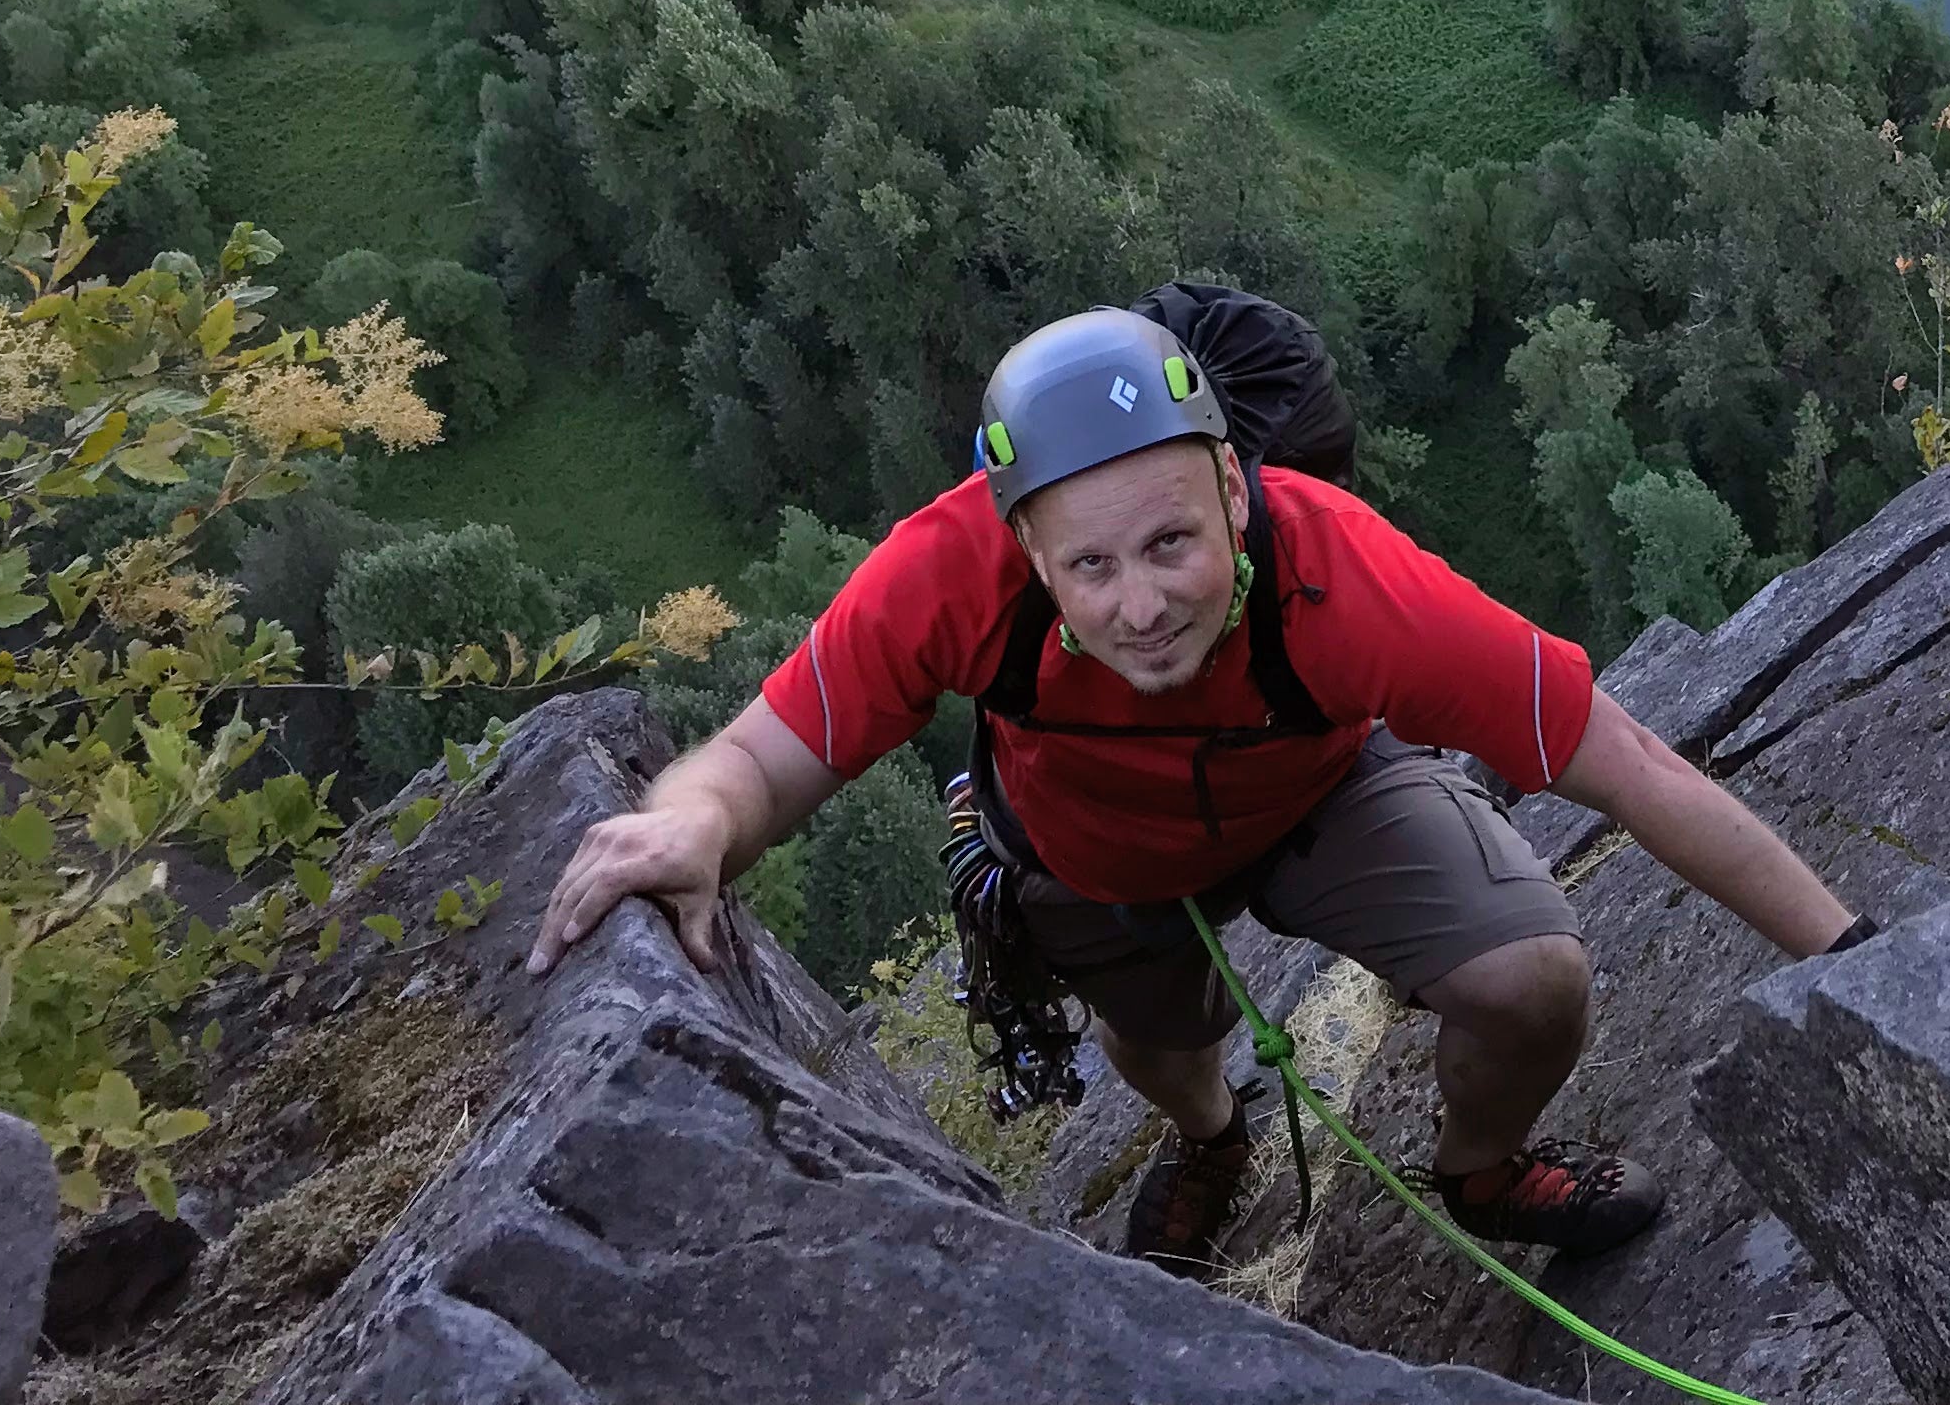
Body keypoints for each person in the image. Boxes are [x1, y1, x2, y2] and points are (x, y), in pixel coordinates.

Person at [525, 294, 1866, 1276]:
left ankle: (1480, 1172)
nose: (1142, 604)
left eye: (1172, 541)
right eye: (1090, 567)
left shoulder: (1344, 576)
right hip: (1094, 857)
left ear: (1235, 486)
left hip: (1319, 796)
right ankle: (1214, 1138)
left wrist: (1859, 966)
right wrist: (692, 821)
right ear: (1027, 551)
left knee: (1534, 983)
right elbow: (765, 753)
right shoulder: (947, 577)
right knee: (1160, 1048)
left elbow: (1629, 765)